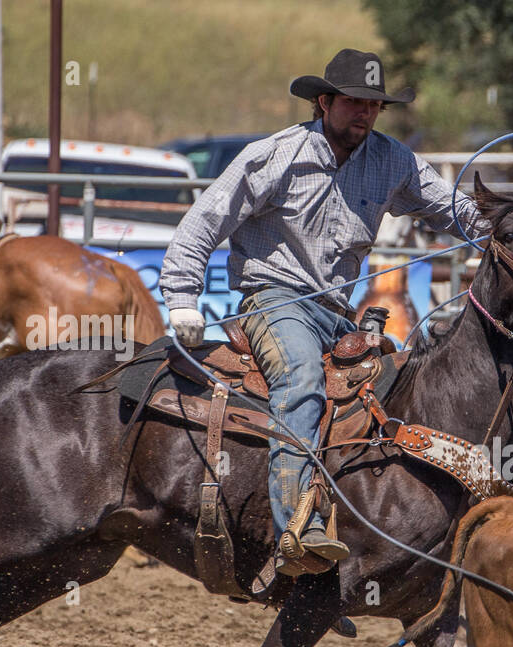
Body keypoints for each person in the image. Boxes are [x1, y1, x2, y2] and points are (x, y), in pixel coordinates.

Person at [161, 49, 491, 576]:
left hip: (339, 314)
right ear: (324, 102)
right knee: (301, 379)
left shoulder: (393, 160)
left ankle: (363, 536)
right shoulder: (277, 155)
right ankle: (295, 528)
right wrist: (180, 294)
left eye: (374, 105)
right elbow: (207, 218)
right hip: (274, 300)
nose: (364, 113)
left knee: (390, 399)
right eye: (354, 102)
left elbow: (455, 211)